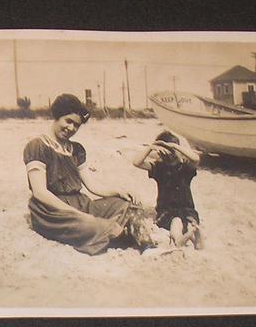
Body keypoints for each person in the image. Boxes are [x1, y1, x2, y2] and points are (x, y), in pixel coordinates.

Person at [24, 94, 153, 255]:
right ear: (57, 116)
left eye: (76, 125)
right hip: (51, 210)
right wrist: (74, 213)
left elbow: (92, 186)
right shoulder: (38, 146)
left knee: (125, 204)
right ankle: (119, 234)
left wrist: (118, 191)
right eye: (68, 121)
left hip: (80, 203)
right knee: (90, 223)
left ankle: (147, 246)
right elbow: (40, 192)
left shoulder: (76, 150)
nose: (71, 128)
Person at [132, 130, 204, 249]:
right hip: (169, 211)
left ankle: (188, 237)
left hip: (184, 209)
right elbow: (136, 162)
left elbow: (196, 159)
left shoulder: (185, 167)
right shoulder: (159, 168)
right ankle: (186, 237)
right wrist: (151, 147)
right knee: (179, 223)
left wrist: (174, 147)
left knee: (183, 222)